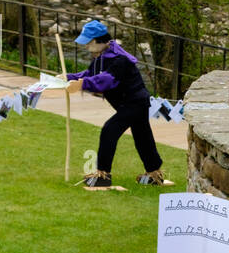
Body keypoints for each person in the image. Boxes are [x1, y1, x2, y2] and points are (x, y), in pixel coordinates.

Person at [66, 20, 165, 189]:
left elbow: (106, 80)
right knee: (142, 136)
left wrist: (82, 84)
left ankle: (103, 175)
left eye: (88, 42)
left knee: (109, 130)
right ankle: (154, 173)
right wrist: (69, 78)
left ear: (98, 41)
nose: (86, 46)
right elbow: (90, 74)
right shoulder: (100, 58)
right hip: (130, 103)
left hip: (135, 102)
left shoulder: (119, 60)